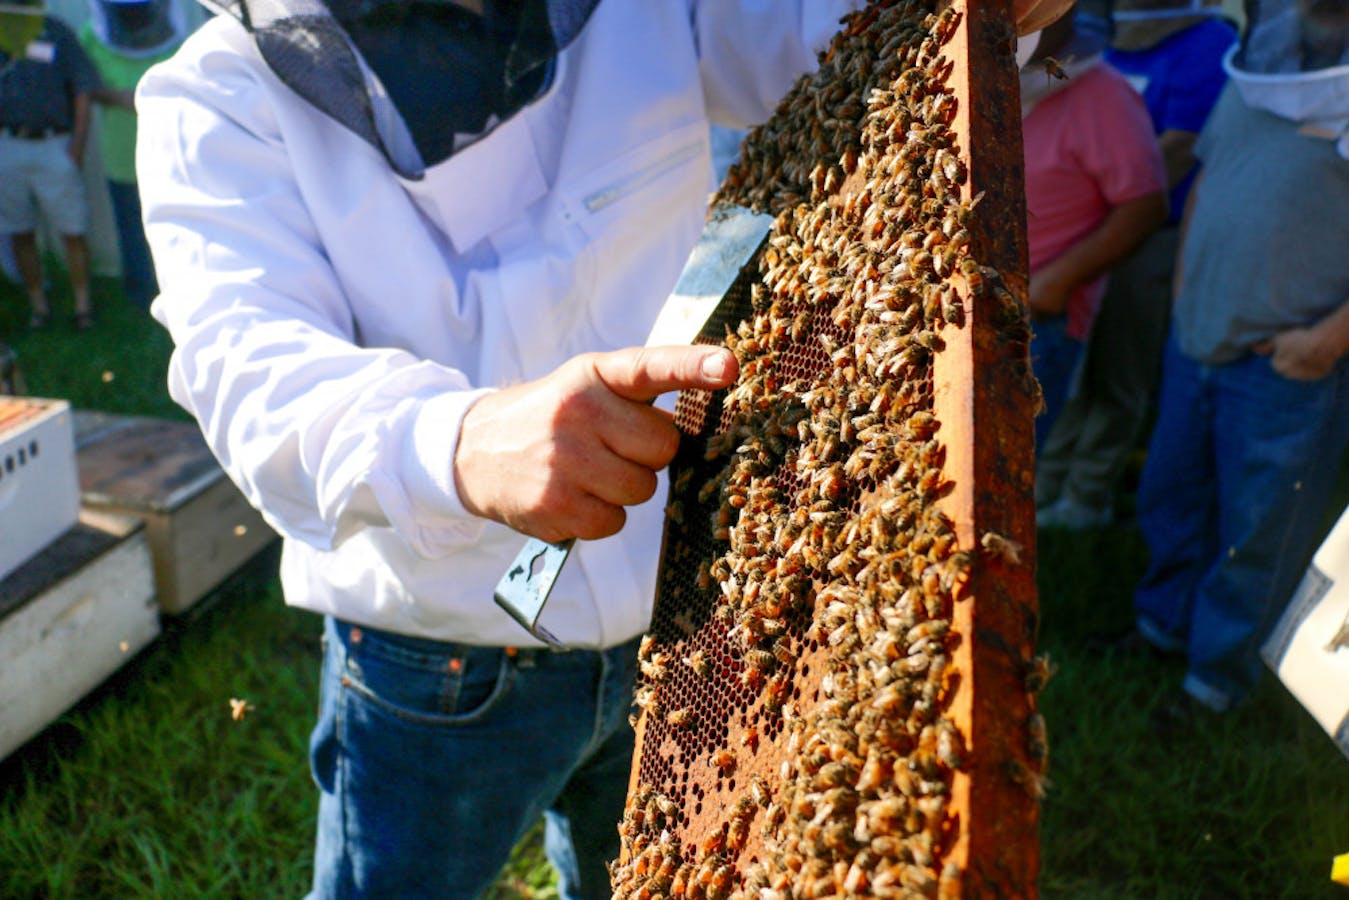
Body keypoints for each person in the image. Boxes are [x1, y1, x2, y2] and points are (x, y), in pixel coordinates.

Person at [134, 0, 1071, 895]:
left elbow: (835, 34)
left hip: (694, 601)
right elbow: (246, 369)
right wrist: (456, 440)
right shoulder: (214, 99)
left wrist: (983, 12)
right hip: (445, 657)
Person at [1128, 0, 1349, 728]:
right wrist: (1188, 290)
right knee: (1170, 496)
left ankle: (1216, 682)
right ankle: (1160, 628)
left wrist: (1325, 340)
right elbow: (1210, 184)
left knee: (1256, 530)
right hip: (1199, 338)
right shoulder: (1249, 79)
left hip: (1284, 365)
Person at [1034, 0, 1236, 529]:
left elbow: (1174, 152)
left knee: (1118, 372)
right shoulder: (1107, 46)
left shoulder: (1206, 44)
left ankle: (1087, 495)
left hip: (1148, 237)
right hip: (1088, 241)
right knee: (1079, 376)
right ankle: (1050, 485)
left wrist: (1104, 219)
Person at [1019, 5, 1169, 452]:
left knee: (1005, 459)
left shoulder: (1105, 95)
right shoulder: (988, 83)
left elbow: (1144, 206)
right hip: (957, 296)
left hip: (1035, 315)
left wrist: (1057, 280)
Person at [78, 0, 189, 308]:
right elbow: (84, 85)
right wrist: (118, 96)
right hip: (122, 155)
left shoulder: (175, 32)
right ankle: (142, 296)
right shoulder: (92, 34)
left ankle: (181, 293)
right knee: (131, 228)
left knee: (178, 226)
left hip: (171, 154)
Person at [0, 1, 100, 331]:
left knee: (72, 230)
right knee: (19, 231)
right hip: (10, 145)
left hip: (55, 144)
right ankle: (38, 306)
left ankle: (83, 305)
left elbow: (83, 87)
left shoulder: (57, 32)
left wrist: (77, 146)